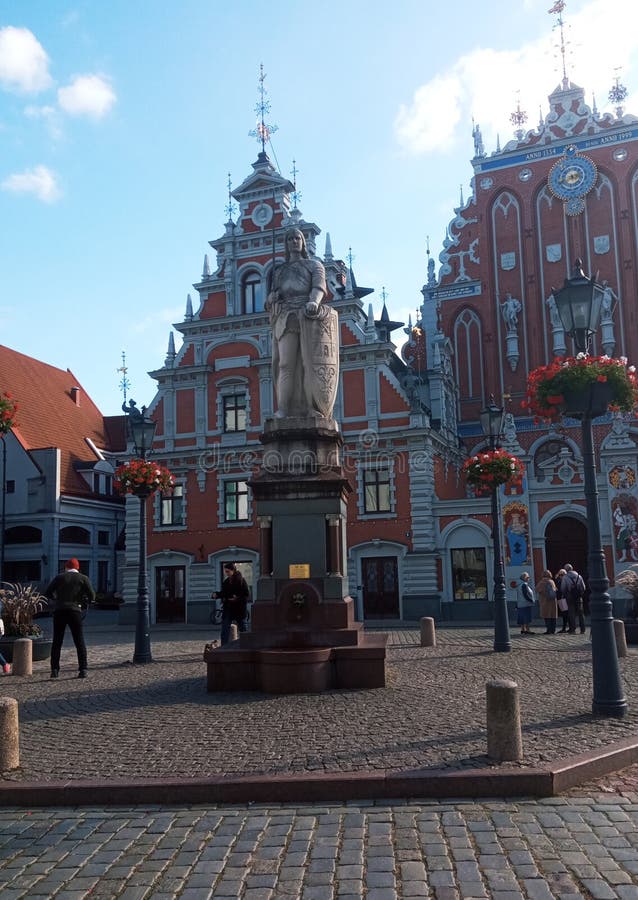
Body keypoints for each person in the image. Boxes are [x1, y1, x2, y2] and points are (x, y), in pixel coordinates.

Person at [265, 228, 339, 419]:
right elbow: (269, 302)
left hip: (308, 317)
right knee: (285, 364)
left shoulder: (314, 265)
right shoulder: (279, 272)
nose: (294, 241)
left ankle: (312, 407)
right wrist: (272, 297)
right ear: (286, 244)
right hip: (286, 317)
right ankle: (283, 408)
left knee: (310, 364)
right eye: (290, 239)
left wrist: (313, 301)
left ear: (303, 242)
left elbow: (319, 287)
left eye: (297, 238)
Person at [45, 558, 95, 678]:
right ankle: (83, 669)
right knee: (79, 641)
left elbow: (48, 592)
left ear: (66, 567)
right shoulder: (83, 578)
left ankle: (55, 670)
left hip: (59, 611)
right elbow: (92, 595)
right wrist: (84, 601)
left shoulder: (59, 577)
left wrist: (57, 599)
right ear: (77, 568)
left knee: (57, 641)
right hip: (75, 611)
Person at [212, 562, 250, 646]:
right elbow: (224, 593)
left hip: (239, 609)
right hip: (228, 608)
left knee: (243, 629)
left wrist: (237, 598)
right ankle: (224, 647)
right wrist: (217, 594)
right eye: (225, 571)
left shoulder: (241, 580)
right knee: (225, 629)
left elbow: (246, 595)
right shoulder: (226, 581)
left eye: (228, 571)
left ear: (233, 570)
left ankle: (247, 646)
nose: (226, 573)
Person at [560, 563, 586, 634]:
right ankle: (583, 629)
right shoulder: (579, 576)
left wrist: (566, 595)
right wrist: (580, 594)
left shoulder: (565, 577)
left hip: (570, 597)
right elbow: (583, 587)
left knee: (571, 613)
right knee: (581, 613)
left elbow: (563, 588)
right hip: (578, 597)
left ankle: (573, 629)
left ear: (566, 570)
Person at [536, 569, 558, 634]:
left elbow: (537, 589)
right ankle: (553, 630)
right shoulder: (552, 581)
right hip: (553, 601)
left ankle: (549, 630)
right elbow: (556, 589)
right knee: (553, 616)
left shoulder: (542, 582)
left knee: (547, 616)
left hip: (545, 601)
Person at [555, 568, 569, 632]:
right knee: (564, 613)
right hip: (560, 599)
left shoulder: (566, 580)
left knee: (566, 614)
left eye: (562, 575)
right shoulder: (558, 580)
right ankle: (565, 627)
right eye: (559, 574)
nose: (560, 576)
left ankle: (565, 628)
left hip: (564, 598)